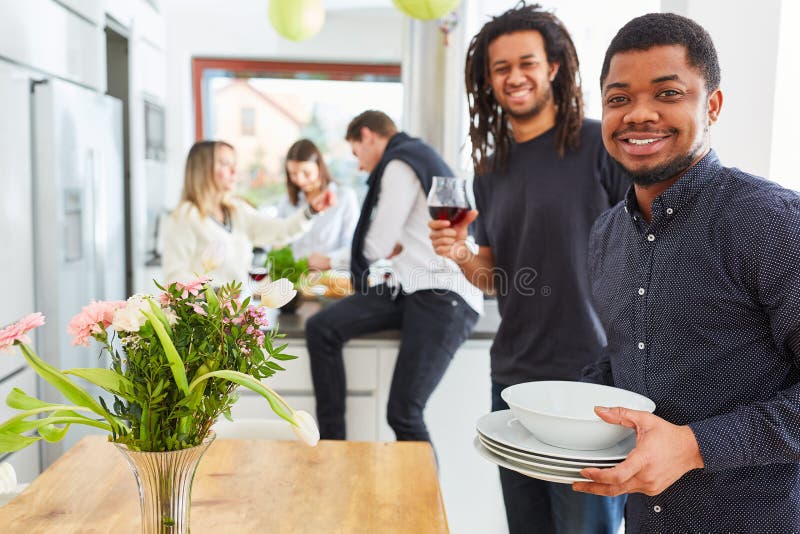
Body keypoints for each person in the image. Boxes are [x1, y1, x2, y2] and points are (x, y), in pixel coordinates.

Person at [573, 12, 800, 532]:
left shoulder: (773, 222)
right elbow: (620, 366)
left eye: (668, 93)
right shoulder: (605, 235)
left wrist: (694, 446)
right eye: (618, 98)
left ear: (712, 104)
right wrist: (556, 423)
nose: (638, 114)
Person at [428, 3, 627, 533]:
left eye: (527, 63)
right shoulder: (491, 170)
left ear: (553, 68)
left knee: (587, 527)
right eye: (501, 68)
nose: (514, 77)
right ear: (487, 80)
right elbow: (495, 277)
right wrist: (462, 253)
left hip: (591, 380)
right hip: (513, 378)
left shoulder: (598, 145)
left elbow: (651, 246)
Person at [305, 110, 483, 442]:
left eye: (356, 153)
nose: (359, 166)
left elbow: (375, 245)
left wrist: (329, 259)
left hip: (443, 295)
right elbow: (394, 240)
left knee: (404, 412)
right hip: (412, 287)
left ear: (368, 136)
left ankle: (423, 497)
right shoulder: (415, 157)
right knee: (321, 328)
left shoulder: (399, 165)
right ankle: (332, 446)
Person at [161, 140, 333, 285]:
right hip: (202, 320)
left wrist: (310, 211)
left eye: (234, 165)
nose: (234, 171)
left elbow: (280, 231)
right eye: (225, 164)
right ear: (203, 170)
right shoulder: (185, 217)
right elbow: (174, 278)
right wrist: (215, 295)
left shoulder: (237, 211)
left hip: (233, 315)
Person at [276, 139, 359, 271]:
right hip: (298, 280)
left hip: (332, 280)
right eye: (293, 174)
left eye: (306, 173)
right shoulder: (287, 201)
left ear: (319, 167)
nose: (300, 180)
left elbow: (353, 246)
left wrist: (329, 260)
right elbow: (277, 238)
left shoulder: (344, 197)